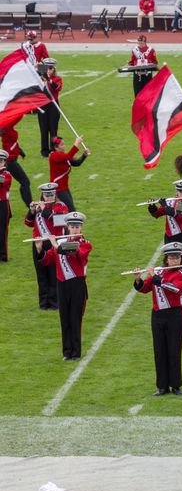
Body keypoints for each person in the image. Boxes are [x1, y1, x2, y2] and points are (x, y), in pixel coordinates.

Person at [134, 241, 182, 396]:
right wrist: (138, 279)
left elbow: (174, 289)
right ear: (166, 259)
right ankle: (162, 386)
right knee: (159, 351)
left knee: (174, 350)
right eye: (172, 258)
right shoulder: (159, 271)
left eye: (177, 257)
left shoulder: (181, 274)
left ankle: (176, 385)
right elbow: (145, 288)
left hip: (175, 316)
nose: (175, 260)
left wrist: (155, 277)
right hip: (158, 316)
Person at [41, 211, 90, 361]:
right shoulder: (61, 241)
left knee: (75, 318)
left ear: (81, 228)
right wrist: (39, 249)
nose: (75, 229)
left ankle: (75, 352)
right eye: (72, 227)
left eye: (77, 227)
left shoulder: (85, 243)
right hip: (62, 284)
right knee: (64, 318)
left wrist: (55, 244)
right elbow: (47, 259)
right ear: (68, 227)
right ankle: (66, 352)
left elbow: (75, 253)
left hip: (77, 284)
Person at [147, 179, 182, 308]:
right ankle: (170, 296)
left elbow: (181, 216)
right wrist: (152, 207)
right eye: (180, 191)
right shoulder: (170, 202)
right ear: (177, 191)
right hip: (170, 238)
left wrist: (167, 207)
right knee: (169, 268)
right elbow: (157, 214)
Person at [26, 182, 68, 310]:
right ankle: (43, 304)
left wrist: (44, 209)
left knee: (53, 274)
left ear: (55, 194)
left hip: (54, 242)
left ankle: (54, 303)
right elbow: (28, 223)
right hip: (39, 243)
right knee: (41, 274)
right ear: (43, 196)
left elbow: (58, 221)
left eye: (51, 195)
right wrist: (32, 211)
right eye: (46, 195)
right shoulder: (39, 206)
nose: (49, 197)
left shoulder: (61, 206)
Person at [48, 135, 89, 212]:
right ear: (56, 147)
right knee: (71, 211)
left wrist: (84, 155)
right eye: (62, 145)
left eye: (64, 144)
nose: (64, 146)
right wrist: (77, 143)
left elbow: (77, 163)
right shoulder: (54, 156)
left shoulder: (63, 156)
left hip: (64, 188)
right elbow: (69, 155)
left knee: (70, 210)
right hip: (58, 189)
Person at [1, 123, 31, 208]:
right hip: (10, 162)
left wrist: (21, 152)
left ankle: (29, 205)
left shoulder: (8, 129)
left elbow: (14, 143)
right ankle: (30, 206)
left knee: (4, 183)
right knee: (25, 182)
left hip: (10, 161)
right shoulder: (7, 129)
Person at [36, 57, 61, 158]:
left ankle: (53, 149)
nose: (49, 70)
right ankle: (44, 150)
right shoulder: (39, 79)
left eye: (51, 68)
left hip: (53, 105)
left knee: (53, 129)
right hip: (42, 104)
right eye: (47, 68)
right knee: (44, 128)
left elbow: (57, 88)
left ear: (54, 69)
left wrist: (49, 79)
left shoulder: (57, 79)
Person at [0, 149, 9, 262]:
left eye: (1, 161)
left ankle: (3, 255)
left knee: (2, 230)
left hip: (2, 204)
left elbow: (1, 182)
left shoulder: (7, 174)